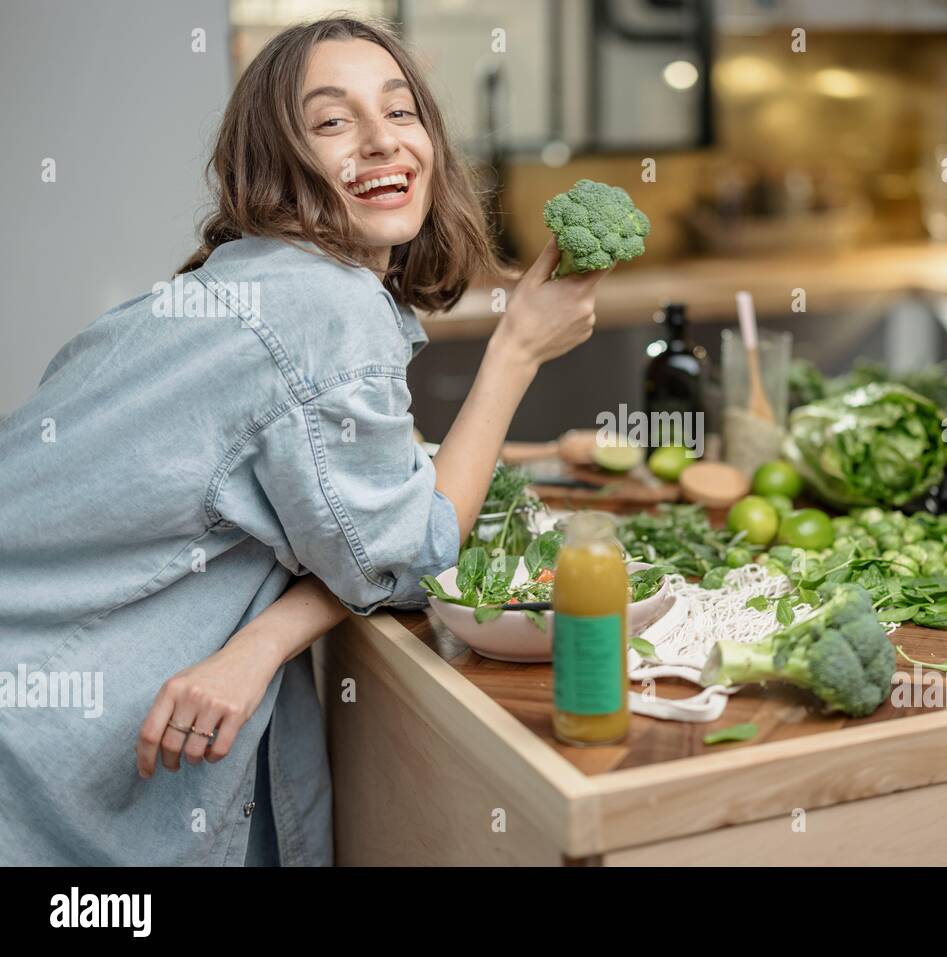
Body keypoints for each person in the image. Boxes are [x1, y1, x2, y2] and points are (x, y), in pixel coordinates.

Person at [0, 16, 606, 865]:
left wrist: (264, 639)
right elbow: (407, 552)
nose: (380, 142)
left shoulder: (251, 280)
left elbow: (339, 514)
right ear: (277, 162)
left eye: (400, 112)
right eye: (331, 122)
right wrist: (517, 350)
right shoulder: (323, 307)